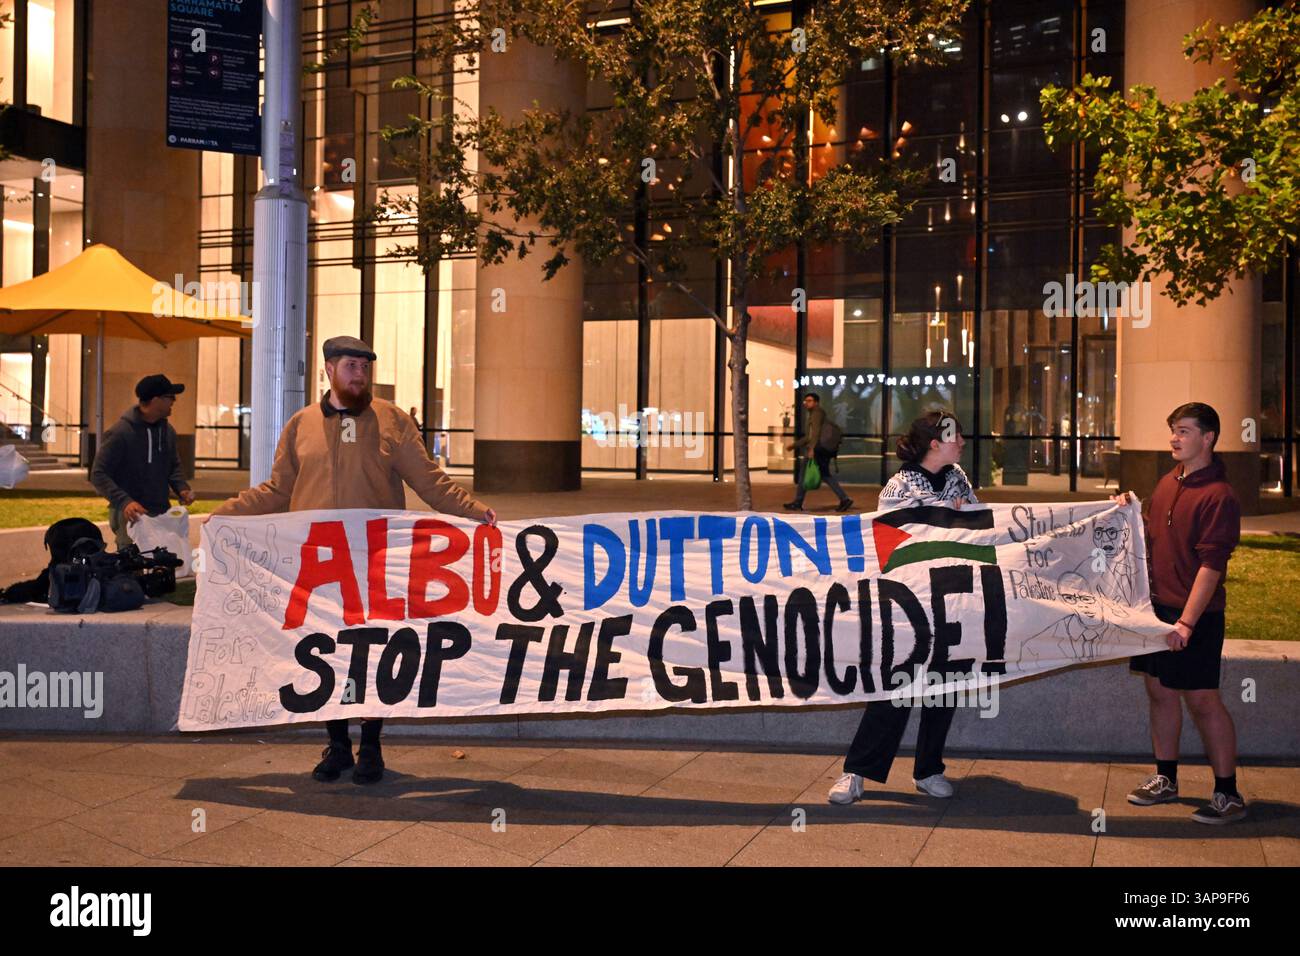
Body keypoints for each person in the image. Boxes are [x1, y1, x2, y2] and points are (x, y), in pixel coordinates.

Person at [207, 336, 497, 786]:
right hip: (318, 566)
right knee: (326, 653)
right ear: (328, 369)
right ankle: (338, 745)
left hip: (372, 564)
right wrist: (223, 516)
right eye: (350, 365)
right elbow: (277, 490)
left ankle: (372, 746)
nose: (360, 374)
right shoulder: (301, 424)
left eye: (365, 366)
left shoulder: (393, 422)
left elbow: (430, 482)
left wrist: (477, 512)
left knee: (368, 653)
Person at [829, 410, 974, 805]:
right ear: (935, 443)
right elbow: (889, 542)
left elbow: (979, 530)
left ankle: (929, 769)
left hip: (953, 601)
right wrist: (949, 521)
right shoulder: (899, 486)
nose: (962, 442)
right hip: (909, 605)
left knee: (944, 688)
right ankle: (857, 771)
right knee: (894, 688)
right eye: (955, 436)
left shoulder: (959, 479)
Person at [1117, 402, 1246, 824]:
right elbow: (1149, 532)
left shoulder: (1219, 496)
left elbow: (1212, 567)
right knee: (1159, 691)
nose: (1175, 437)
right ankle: (1166, 779)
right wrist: (1126, 511)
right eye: (1173, 429)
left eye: (1185, 431)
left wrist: (1187, 622)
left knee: (1204, 700)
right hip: (1155, 610)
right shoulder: (1170, 481)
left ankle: (1228, 794)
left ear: (1208, 438)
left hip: (1194, 616)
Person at [91, 374, 195, 550]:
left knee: (163, 565)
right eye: (170, 397)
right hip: (131, 515)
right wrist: (125, 501)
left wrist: (182, 488)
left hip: (161, 511)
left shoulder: (167, 430)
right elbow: (98, 474)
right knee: (133, 569)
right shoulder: (120, 433)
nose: (174, 401)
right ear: (156, 400)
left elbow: (173, 465)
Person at [784, 392, 852, 513]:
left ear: (816, 402)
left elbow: (814, 434)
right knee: (824, 475)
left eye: (809, 401)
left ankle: (798, 502)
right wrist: (794, 445)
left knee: (807, 475)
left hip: (816, 450)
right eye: (805, 401)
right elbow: (808, 436)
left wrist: (811, 449)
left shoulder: (816, 413)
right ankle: (844, 499)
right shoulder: (815, 414)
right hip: (819, 449)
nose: (806, 403)